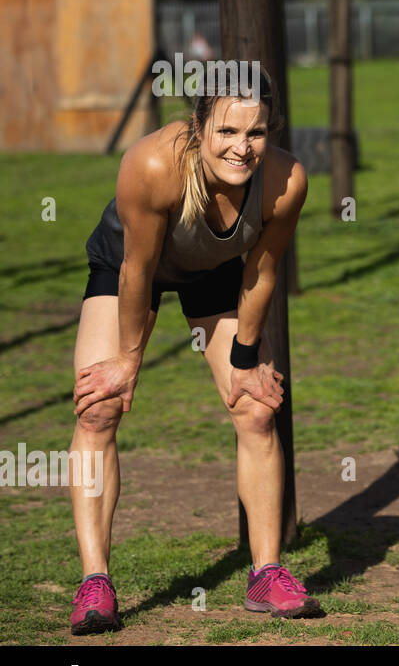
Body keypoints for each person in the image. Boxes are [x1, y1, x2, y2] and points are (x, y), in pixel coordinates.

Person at [69, 68, 319, 635]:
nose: (242, 147)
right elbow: (137, 269)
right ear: (198, 124)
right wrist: (128, 359)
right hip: (132, 266)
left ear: (270, 129)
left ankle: (266, 573)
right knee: (99, 405)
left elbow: (262, 267)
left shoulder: (286, 179)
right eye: (227, 131)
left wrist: (244, 361)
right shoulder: (152, 164)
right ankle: (94, 583)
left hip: (215, 270)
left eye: (255, 133)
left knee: (256, 408)